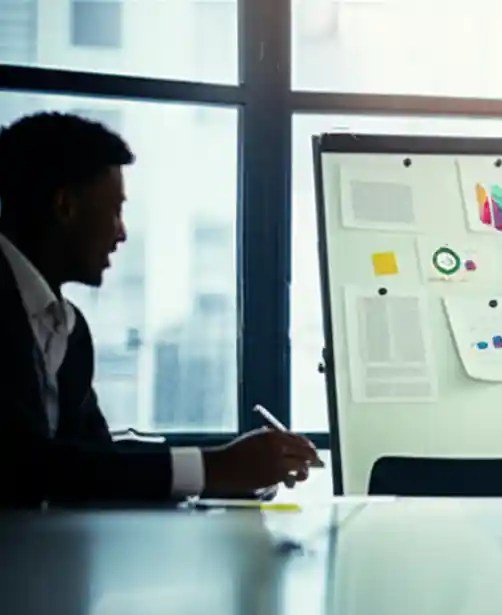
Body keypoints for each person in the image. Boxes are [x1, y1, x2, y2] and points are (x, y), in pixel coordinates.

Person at [0, 111, 319, 506]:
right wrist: (214, 468)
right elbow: (24, 464)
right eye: (115, 209)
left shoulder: (67, 328)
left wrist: (228, 467)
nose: (121, 233)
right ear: (65, 206)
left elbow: (93, 459)